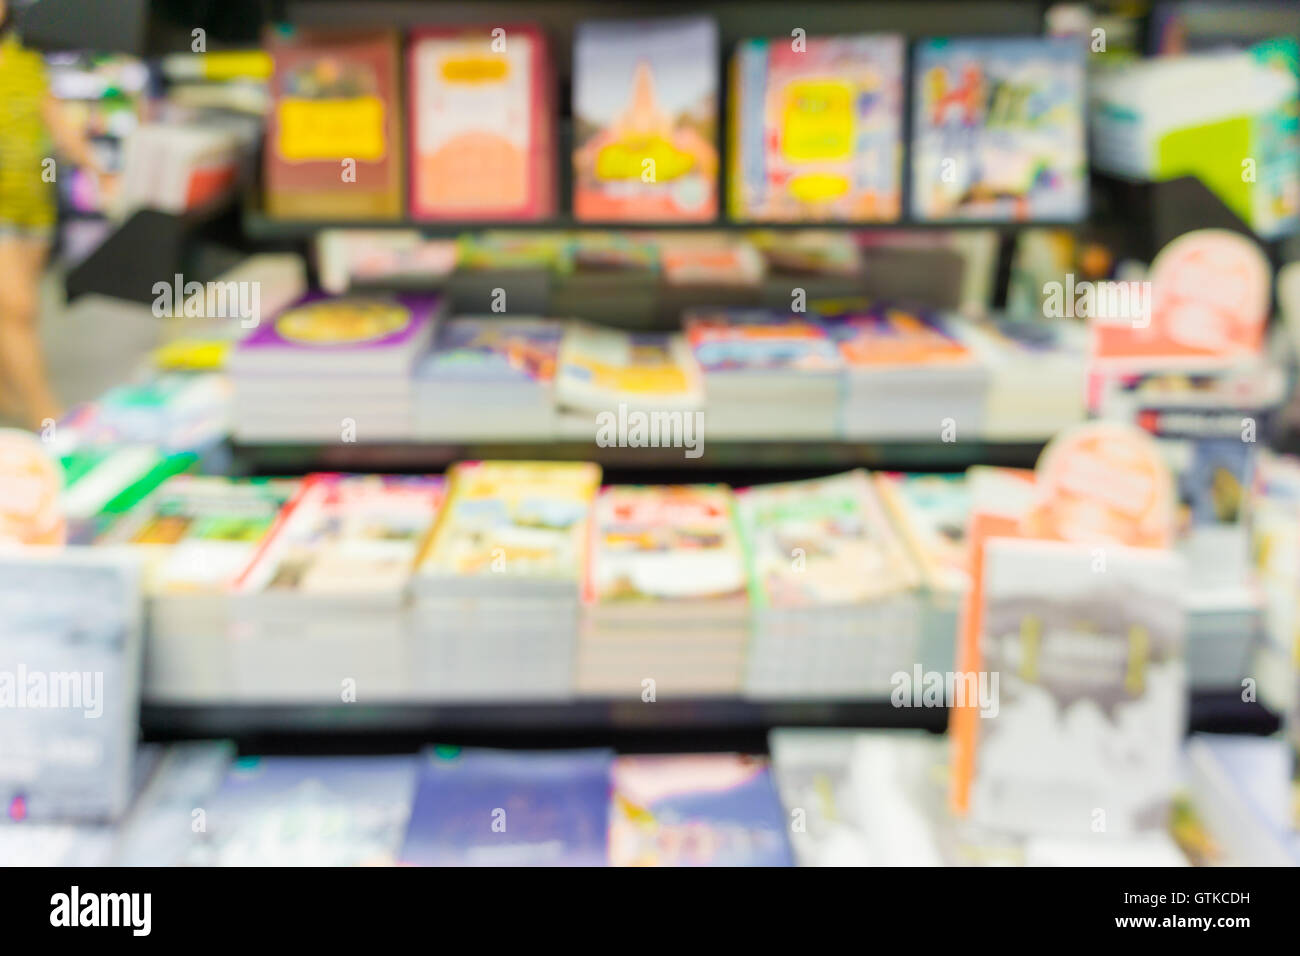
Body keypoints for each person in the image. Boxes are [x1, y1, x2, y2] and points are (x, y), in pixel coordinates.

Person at [0, 0, 107, 430]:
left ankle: (10, 399)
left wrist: (98, 169)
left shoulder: (26, 61)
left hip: (32, 203)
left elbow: (56, 120)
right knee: (17, 308)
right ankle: (49, 417)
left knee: (20, 310)